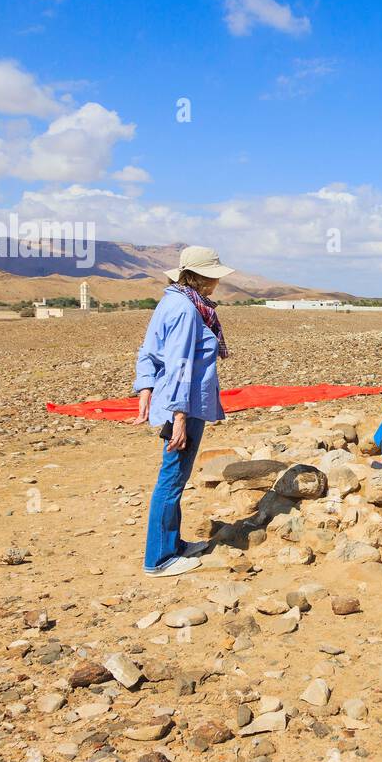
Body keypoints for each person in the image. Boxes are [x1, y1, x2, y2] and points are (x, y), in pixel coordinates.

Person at [131, 245, 235, 576]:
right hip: (184, 407)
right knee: (172, 478)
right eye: (214, 276)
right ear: (202, 277)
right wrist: (177, 416)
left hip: (177, 402)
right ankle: (159, 559)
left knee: (175, 476)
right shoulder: (187, 311)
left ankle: (173, 544)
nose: (217, 283)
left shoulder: (173, 300)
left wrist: (146, 388)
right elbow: (179, 365)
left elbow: (149, 350)